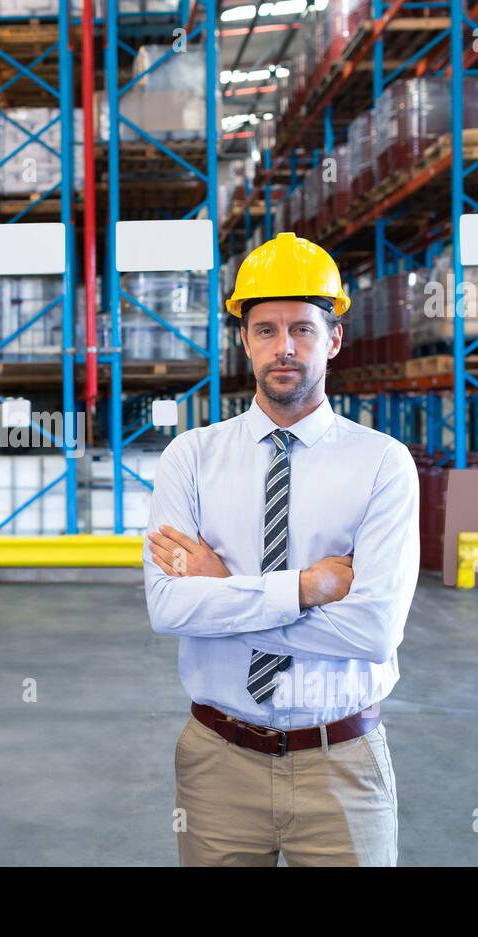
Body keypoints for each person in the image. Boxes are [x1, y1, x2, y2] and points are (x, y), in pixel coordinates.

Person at [144, 232, 420, 866]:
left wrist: (222, 591)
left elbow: (373, 631)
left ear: (334, 340)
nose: (284, 347)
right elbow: (168, 611)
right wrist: (305, 588)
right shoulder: (190, 458)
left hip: (342, 763)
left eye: (302, 328)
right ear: (244, 340)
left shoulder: (383, 465)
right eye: (265, 329)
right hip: (217, 762)